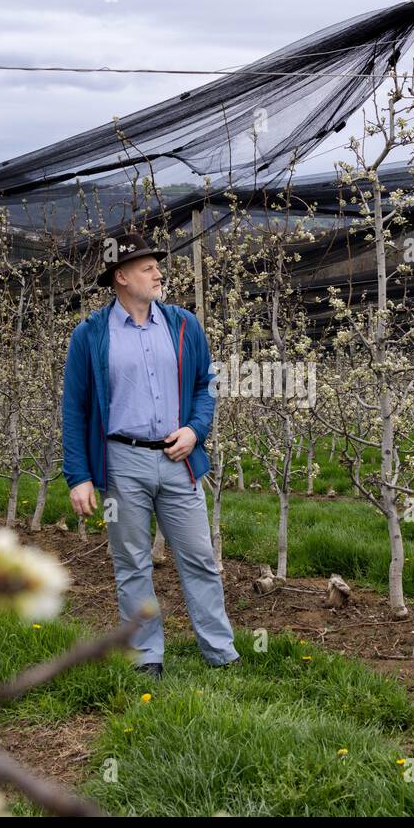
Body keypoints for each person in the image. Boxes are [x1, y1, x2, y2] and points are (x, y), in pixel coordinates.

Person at [61, 231, 240, 680]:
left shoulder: (184, 325)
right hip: (122, 462)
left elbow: (206, 385)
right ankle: (145, 657)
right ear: (121, 277)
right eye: (147, 267)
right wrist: (78, 475)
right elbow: (75, 406)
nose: (158, 273)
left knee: (198, 556)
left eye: (157, 266)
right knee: (132, 562)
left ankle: (220, 652)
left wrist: (195, 431)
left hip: (178, 459)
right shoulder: (90, 335)